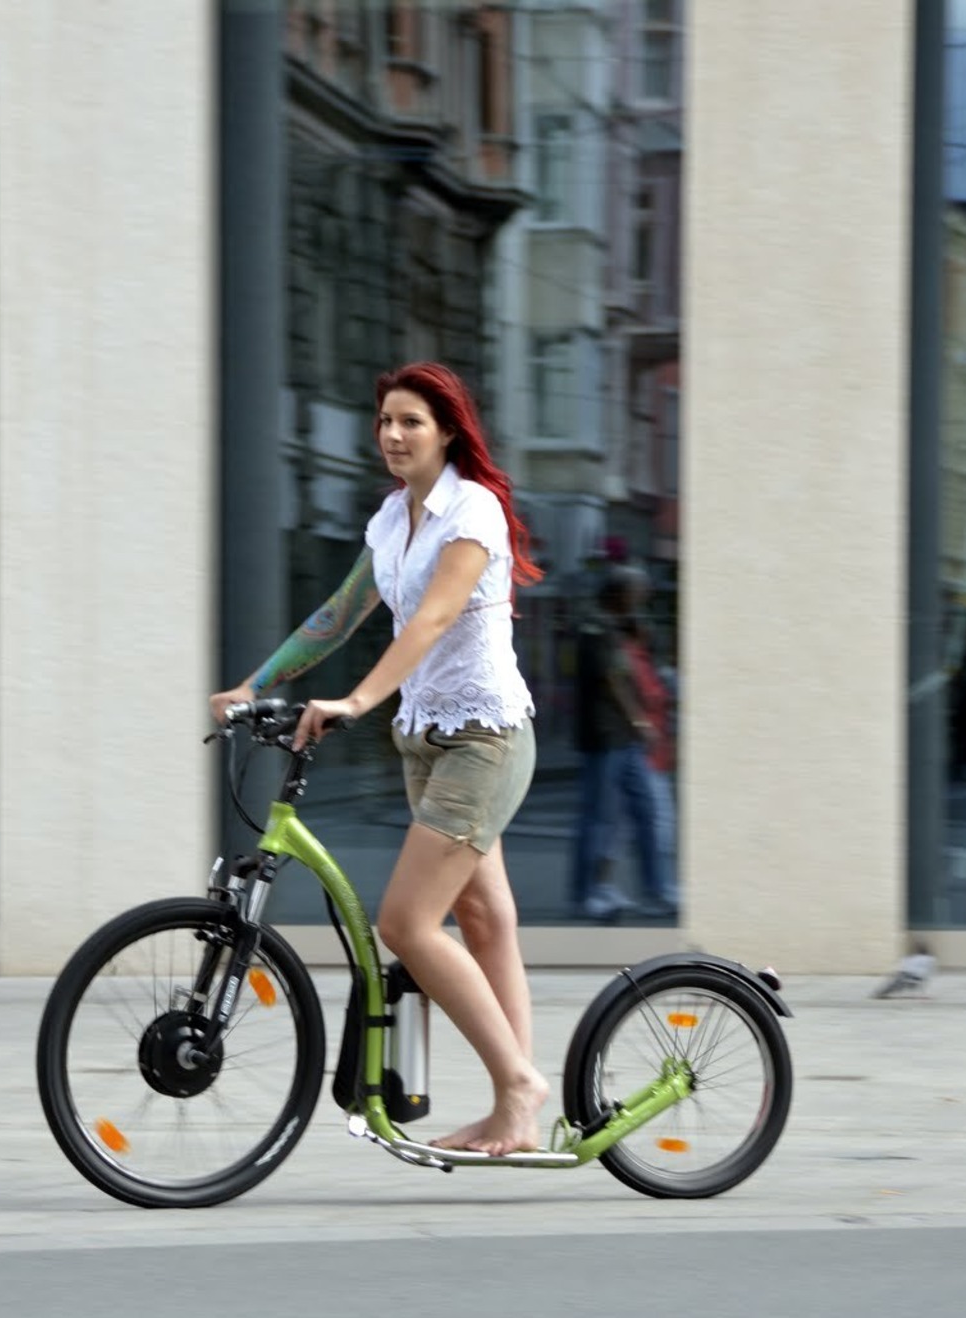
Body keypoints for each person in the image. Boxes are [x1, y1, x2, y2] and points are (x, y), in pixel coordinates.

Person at [210, 361, 548, 1157]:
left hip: (485, 738)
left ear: (448, 432)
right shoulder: (394, 519)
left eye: (411, 423)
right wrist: (252, 684)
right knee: (484, 920)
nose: (393, 436)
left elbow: (429, 621)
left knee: (406, 922)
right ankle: (520, 1115)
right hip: (427, 739)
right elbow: (338, 615)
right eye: (385, 423)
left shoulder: (475, 513)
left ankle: (518, 1085)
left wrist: (355, 702)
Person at [568, 567, 678, 922]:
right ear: (619, 594)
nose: (641, 600)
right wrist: (640, 721)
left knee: (647, 812)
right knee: (599, 819)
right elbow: (612, 680)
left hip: (626, 739)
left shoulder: (618, 628)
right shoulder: (595, 627)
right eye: (637, 593)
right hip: (606, 737)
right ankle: (587, 894)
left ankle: (658, 888)